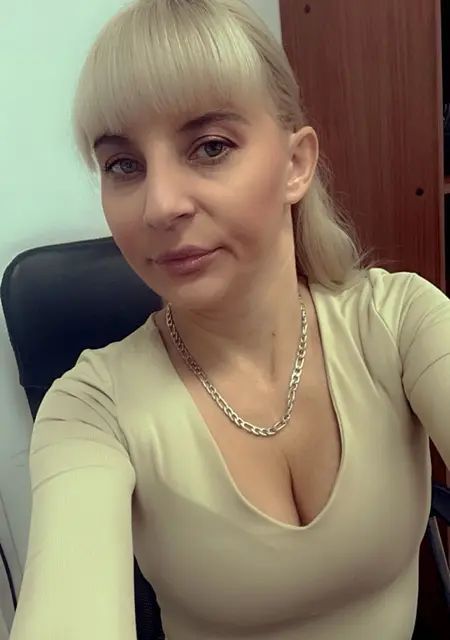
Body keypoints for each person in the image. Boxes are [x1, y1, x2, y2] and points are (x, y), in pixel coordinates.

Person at [9, 0, 450, 638]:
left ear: (295, 164)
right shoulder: (89, 410)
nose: (160, 205)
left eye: (210, 147)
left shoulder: (401, 322)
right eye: (123, 165)